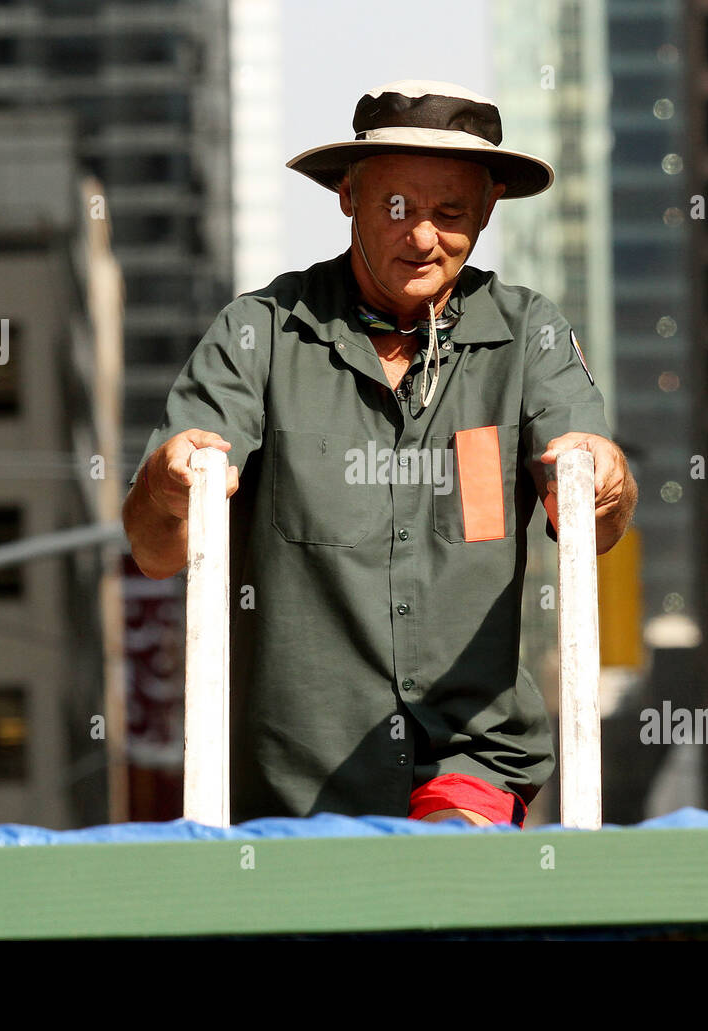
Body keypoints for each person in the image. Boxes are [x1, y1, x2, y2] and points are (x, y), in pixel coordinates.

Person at [123, 80, 637, 827]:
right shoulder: (259, 334)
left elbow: (598, 509)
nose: (423, 236)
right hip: (293, 787)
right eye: (398, 207)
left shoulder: (531, 337)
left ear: (489, 209)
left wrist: (603, 480)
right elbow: (153, 548)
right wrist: (171, 483)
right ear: (348, 197)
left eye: (451, 213)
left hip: (469, 763)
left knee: (447, 884)